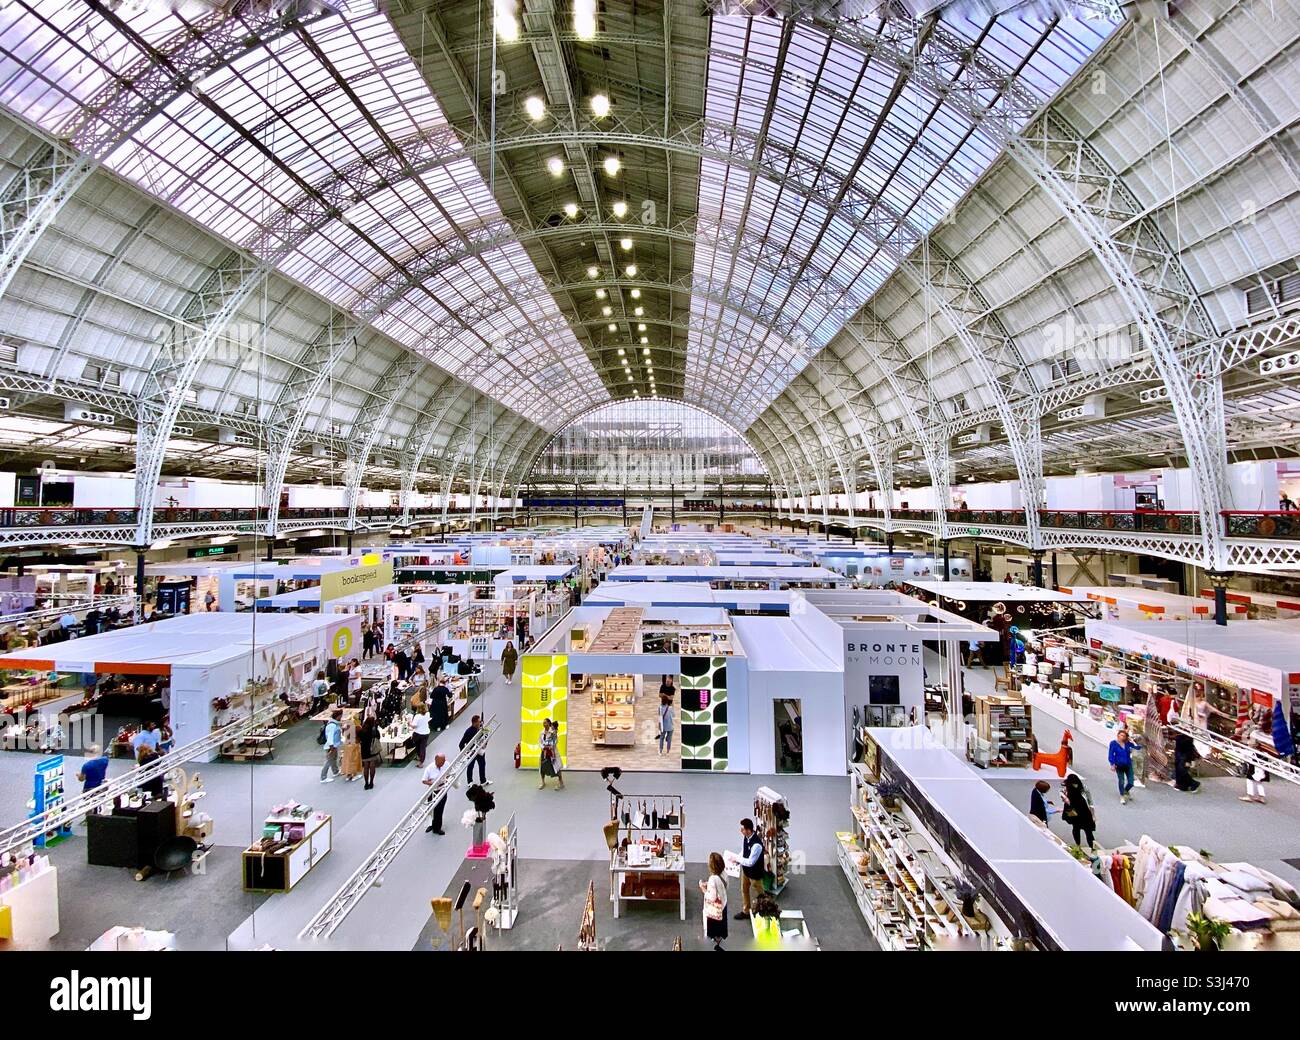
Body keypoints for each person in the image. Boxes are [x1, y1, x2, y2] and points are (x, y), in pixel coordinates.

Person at [735, 818, 766, 920]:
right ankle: (746, 911)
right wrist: (737, 858)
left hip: (755, 874)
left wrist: (738, 859)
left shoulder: (756, 845)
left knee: (759, 895)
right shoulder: (746, 837)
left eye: (742, 829)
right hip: (746, 872)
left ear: (748, 830)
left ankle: (763, 912)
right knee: (744, 890)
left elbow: (750, 862)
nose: (741, 831)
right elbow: (744, 851)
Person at [699, 851, 728, 951]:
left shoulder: (712, 878)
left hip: (714, 908)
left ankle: (714, 939)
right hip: (723, 903)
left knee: (714, 926)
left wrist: (703, 889)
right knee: (721, 923)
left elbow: (711, 897)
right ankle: (720, 937)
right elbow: (724, 885)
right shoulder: (724, 874)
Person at [1061, 773, 1096, 847]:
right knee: (1076, 827)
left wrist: (1093, 815)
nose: (1075, 785)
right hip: (1073, 809)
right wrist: (1065, 798)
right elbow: (1061, 792)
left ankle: (1091, 847)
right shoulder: (1067, 787)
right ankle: (1078, 845)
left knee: (1087, 830)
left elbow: (1090, 802)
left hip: (1083, 810)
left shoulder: (1083, 787)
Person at [1107, 727, 1141, 804]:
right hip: (1119, 765)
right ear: (1118, 735)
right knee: (1121, 781)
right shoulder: (1113, 743)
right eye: (1121, 735)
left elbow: (1138, 748)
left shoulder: (1127, 744)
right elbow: (1111, 754)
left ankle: (1126, 791)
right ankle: (1122, 795)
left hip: (1128, 765)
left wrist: (1132, 741)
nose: (1122, 737)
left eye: (1124, 736)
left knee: (1131, 782)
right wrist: (1112, 764)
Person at [422, 753, 448, 834]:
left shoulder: (446, 764)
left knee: (439, 809)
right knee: (431, 809)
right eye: (440, 763)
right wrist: (433, 783)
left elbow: (450, 772)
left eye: (443, 763)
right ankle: (430, 825)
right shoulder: (429, 768)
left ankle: (437, 828)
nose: (442, 765)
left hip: (442, 789)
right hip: (433, 791)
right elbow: (424, 780)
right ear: (436, 761)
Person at [461, 714, 488, 785]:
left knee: (482, 765)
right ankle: (470, 782)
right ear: (474, 722)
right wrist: (465, 753)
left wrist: (485, 744)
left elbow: (485, 737)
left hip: (480, 751)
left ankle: (483, 781)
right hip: (471, 752)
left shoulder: (481, 729)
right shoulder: (468, 732)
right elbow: (461, 744)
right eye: (479, 722)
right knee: (470, 767)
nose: (481, 723)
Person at [538, 718, 564, 789]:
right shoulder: (541, 732)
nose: (544, 724)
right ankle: (543, 782)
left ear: (549, 723)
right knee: (542, 767)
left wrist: (550, 746)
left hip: (552, 752)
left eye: (545, 722)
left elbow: (555, 741)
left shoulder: (553, 732)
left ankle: (561, 782)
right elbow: (539, 742)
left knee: (556, 767)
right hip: (544, 752)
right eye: (543, 722)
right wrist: (543, 747)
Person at [358, 714, 381, 790]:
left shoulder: (361, 730)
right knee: (372, 766)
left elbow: (359, 738)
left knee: (366, 767)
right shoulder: (374, 730)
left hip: (364, 750)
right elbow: (378, 737)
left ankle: (366, 783)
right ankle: (371, 782)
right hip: (372, 749)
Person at [320, 709, 342, 783]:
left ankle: (335, 771)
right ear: (338, 716)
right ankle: (323, 777)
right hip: (331, 746)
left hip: (334, 745)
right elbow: (330, 737)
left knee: (333, 759)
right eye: (340, 716)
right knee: (329, 761)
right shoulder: (332, 725)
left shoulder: (334, 724)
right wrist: (332, 748)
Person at [410, 703, 431, 767]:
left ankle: (419, 758)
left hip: (418, 733)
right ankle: (421, 761)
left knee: (418, 746)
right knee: (423, 747)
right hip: (426, 733)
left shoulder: (417, 716)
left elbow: (413, 726)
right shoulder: (427, 714)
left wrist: (409, 723)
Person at [658, 691, 674, 756]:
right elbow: (674, 715)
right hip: (670, 726)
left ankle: (660, 751)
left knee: (661, 738)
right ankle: (668, 751)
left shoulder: (660, 708)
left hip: (663, 727)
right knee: (669, 739)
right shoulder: (670, 708)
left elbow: (659, 717)